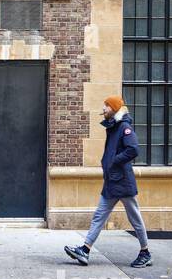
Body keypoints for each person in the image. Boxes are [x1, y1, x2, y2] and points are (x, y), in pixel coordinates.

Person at [64, 96, 152, 268]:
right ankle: (85, 250)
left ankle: (145, 252)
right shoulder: (113, 127)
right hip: (112, 181)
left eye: (106, 105)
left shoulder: (124, 127)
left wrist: (114, 160)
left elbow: (133, 149)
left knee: (135, 218)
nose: (103, 108)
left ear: (114, 109)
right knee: (99, 216)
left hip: (123, 182)